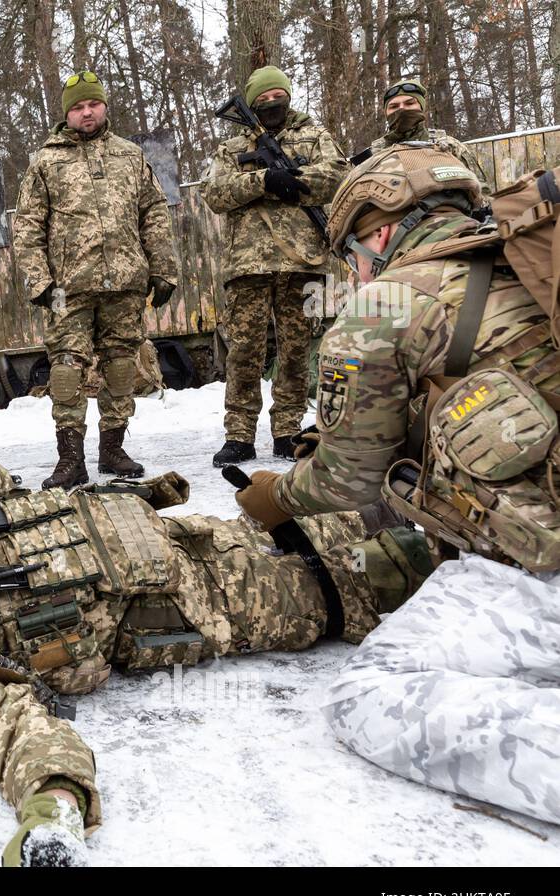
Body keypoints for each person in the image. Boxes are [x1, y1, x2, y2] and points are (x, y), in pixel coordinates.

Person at [0, 455, 430, 865]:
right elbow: (14, 729)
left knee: (378, 508)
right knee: (395, 575)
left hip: (184, 533)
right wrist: (54, 809)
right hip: (212, 606)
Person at [233, 144, 560, 819]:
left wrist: (279, 494)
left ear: (380, 231)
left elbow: (348, 480)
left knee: (372, 694)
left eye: (351, 253)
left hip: (539, 578)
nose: (353, 270)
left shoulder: (388, 300)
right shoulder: (533, 262)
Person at [13, 69, 178, 490]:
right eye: (78, 107)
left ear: (104, 106)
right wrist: (41, 284)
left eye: (93, 104)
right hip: (66, 289)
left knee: (123, 365)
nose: (87, 112)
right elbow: (27, 228)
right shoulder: (45, 162)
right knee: (66, 369)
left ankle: (112, 448)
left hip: (125, 282)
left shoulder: (130, 155)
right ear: (67, 114)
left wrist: (163, 268)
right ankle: (70, 459)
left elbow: (154, 213)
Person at [200, 66, 348, 467]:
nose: (271, 103)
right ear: (251, 103)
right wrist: (264, 180)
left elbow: (338, 177)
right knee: (244, 352)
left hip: (303, 261)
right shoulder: (231, 148)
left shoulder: (315, 136)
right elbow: (214, 193)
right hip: (247, 264)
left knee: (297, 351)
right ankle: (239, 435)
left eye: (277, 95)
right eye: (262, 99)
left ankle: (287, 430)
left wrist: (293, 178)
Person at [366, 77, 489, 190]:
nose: (401, 109)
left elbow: (482, 191)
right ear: (386, 113)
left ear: (421, 107)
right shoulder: (373, 154)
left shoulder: (451, 147)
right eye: (394, 106)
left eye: (409, 103)